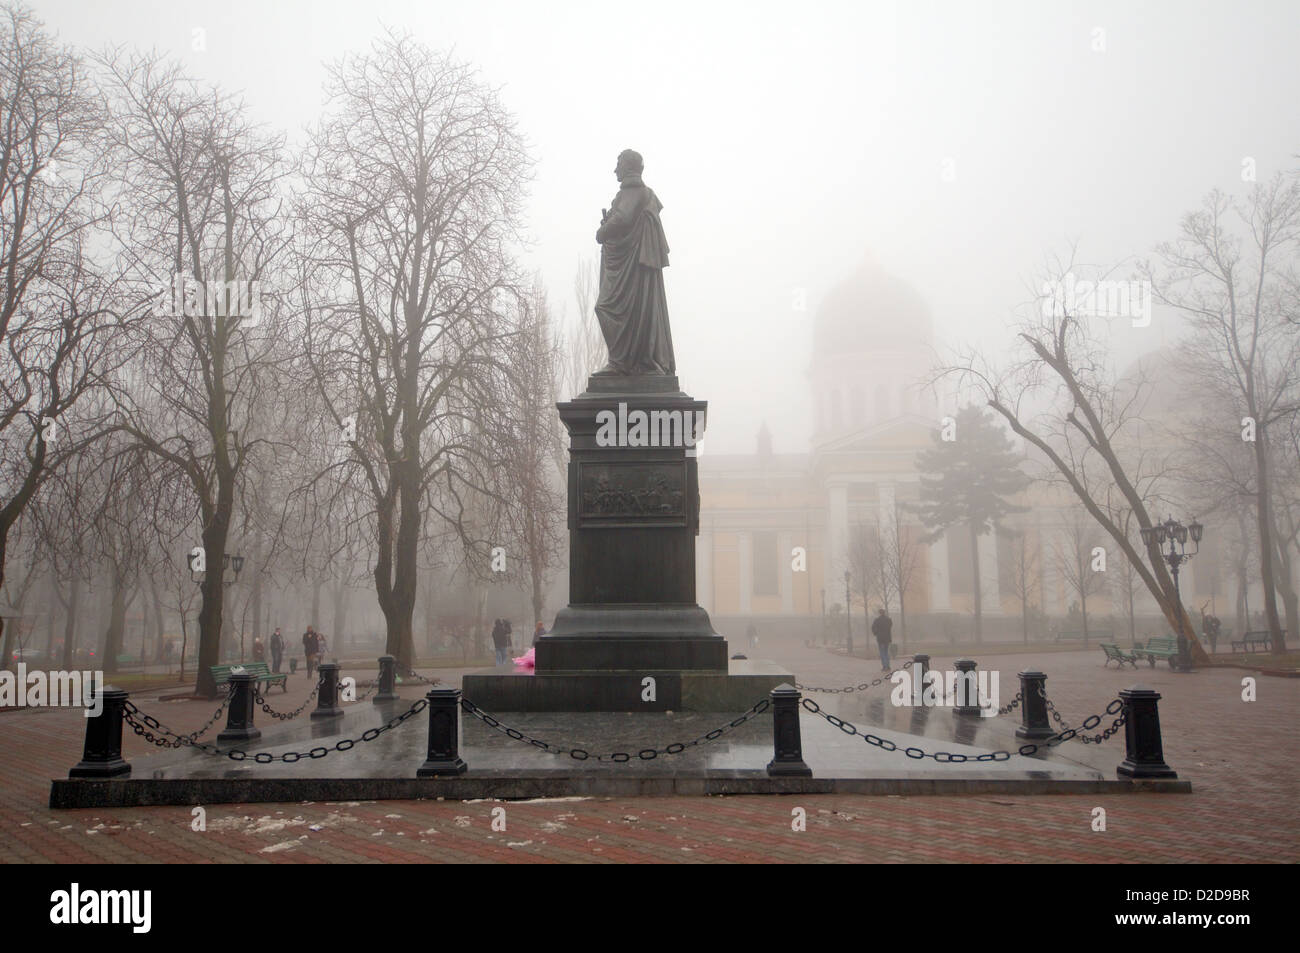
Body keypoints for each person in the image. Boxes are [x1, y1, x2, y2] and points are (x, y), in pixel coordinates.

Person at [593, 149, 675, 376]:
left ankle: (621, 363)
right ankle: (628, 361)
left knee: (606, 307)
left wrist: (602, 231)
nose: (615, 169)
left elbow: (623, 218)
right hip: (630, 265)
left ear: (628, 167)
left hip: (631, 268)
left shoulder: (633, 191)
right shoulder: (638, 193)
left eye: (618, 164)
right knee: (634, 312)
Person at [871, 607, 893, 672]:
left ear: (879, 613)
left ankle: (884, 666)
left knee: (882, 653)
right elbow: (890, 627)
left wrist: (876, 633)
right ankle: (888, 666)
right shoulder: (889, 620)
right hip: (887, 639)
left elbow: (873, 627)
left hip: (880, 639)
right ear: (884, 612)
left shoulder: (877, 620)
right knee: (886, 652)